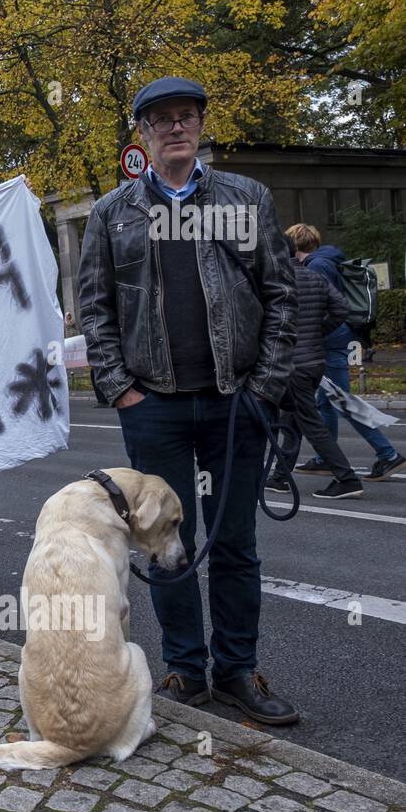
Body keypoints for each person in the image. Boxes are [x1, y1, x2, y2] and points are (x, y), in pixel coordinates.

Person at [79, 76, 299, 725]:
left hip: (237, 403)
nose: (176, 127)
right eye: (161, 119)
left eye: (187, 116)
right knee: (167, 548)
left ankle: (237, 669)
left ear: (201, 126)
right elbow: (96, 308)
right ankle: (185, 666)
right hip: (157, 409)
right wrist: (122, 390)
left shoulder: (246, 198)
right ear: (142, 135)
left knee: (234, 545)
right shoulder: (112, 213)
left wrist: (267, 385)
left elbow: (283, 293)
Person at [287, 224, 404, 482]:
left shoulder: (316, 268)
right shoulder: (326, 260)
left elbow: (332, 307)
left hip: (329, 341)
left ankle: (387, 454)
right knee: (327, 401)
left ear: (294, 245)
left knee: (342, 401)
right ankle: (325, 458)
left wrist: (316, 330)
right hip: (332, 339)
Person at [262, 228, 362, 500]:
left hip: (290, 365)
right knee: (292, 420)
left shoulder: (273, 281)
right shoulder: (315, 276)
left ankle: (347, 478)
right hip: (315, 362)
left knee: (310, 423)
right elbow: (341, 308)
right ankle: (280, 477)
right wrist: (319, 331)